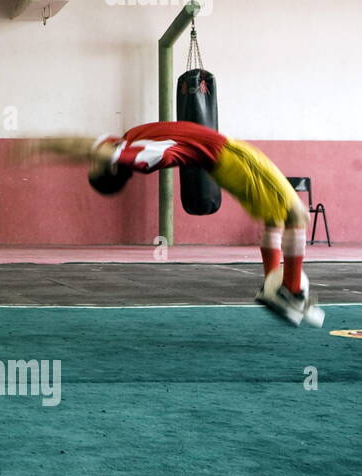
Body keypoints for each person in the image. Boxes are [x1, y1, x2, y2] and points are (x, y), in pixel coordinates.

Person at [33, 122, 324, 327]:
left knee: (274, 216)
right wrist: (45, 148)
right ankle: (291, 291)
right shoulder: (139, 156)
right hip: (231, 157)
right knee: (297, 215)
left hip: (225, 160)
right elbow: (96, 150)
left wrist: (49, 149)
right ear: (111, 167)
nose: (92, 161)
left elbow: (90, 146)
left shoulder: (124, 141)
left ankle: (273, 284)